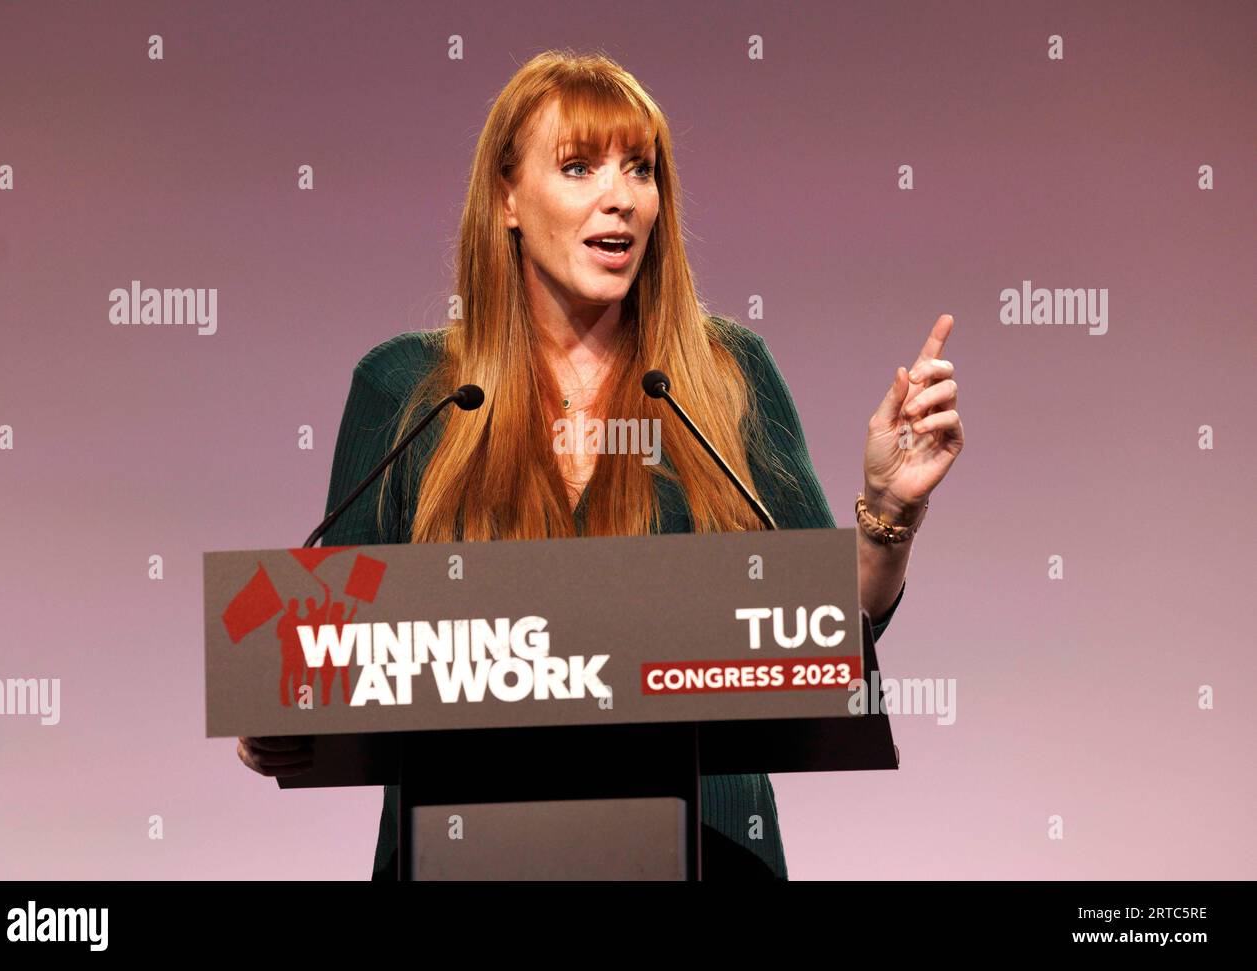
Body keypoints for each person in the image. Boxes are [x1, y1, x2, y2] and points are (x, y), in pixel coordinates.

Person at [237, 49, 964, 880]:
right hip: (464, 851)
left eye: (640, 169)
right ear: (507, 198)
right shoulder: (409, 390)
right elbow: (322, 654)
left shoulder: (724, 378)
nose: (619, 195)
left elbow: (828, 630)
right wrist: (274, 698)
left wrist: (888, 510)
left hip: (707, 854)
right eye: (578, 167)